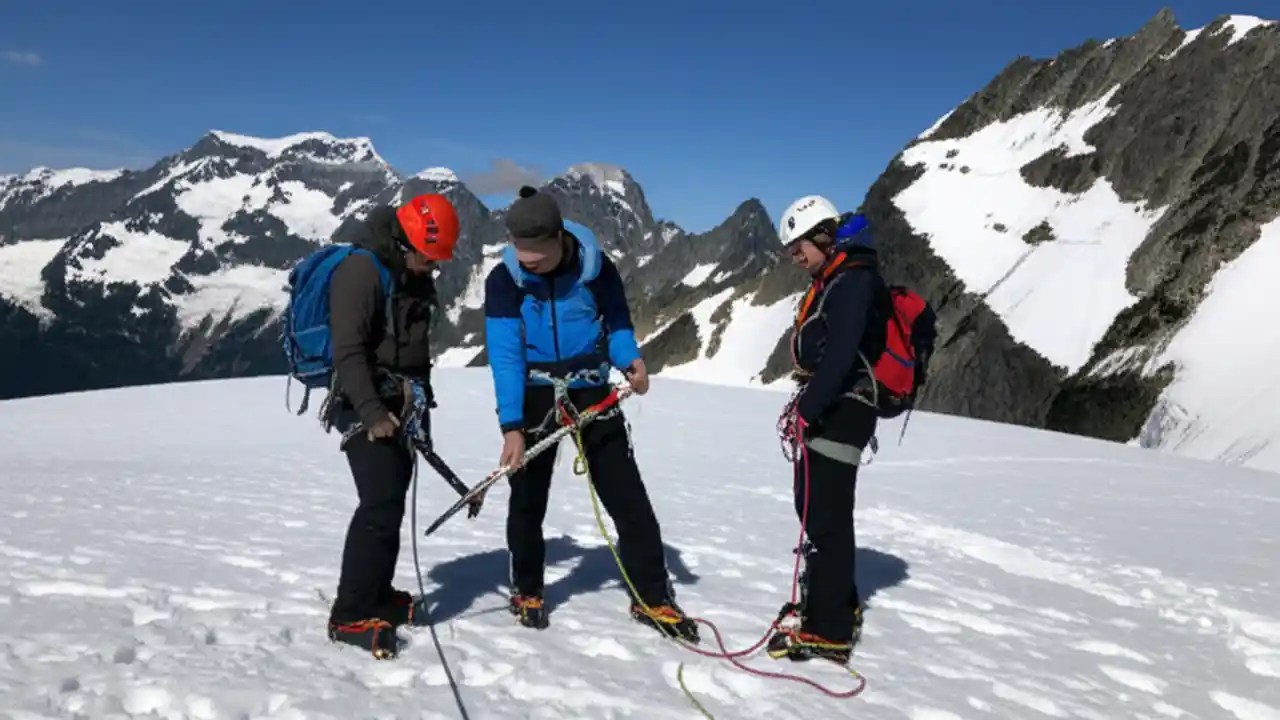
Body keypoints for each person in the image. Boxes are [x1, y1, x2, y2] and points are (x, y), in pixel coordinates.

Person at [481, 185, 698, 642]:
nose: (526, 262)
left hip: (591, 390)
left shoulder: (597, 270)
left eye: (534, 255)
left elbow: (617, 323)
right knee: (527, 498)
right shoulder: (505, 279)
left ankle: (652, 595)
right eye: (519, 252)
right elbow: (504, 356)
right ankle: (527, 587)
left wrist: (630, 358)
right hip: (535, 393)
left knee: (626, 495)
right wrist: (512, 426)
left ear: (558, 238)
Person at [323, 193, 460, 659]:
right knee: (378, 501)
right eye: (429, 258)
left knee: (392, 499)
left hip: (399, 404)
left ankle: (377, 593)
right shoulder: (362, 271)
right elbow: (347, 351)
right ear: (405, 244)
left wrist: (419, 413)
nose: (434, 267)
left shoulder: (412, 275)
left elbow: (414, 352)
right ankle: (349, 614)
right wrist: (371, 413)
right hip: (361, 402)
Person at [766, 195, 884, 664]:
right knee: (818, 508)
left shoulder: (852, 280)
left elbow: (838, 356)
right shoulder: (839, 278)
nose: (796, 256)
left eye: (800, 245)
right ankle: (830, 604)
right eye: (790, 249)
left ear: (823, 234)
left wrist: (806, 411)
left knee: (825, 517)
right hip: (836, 406)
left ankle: (828, 630)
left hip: (843, 408)